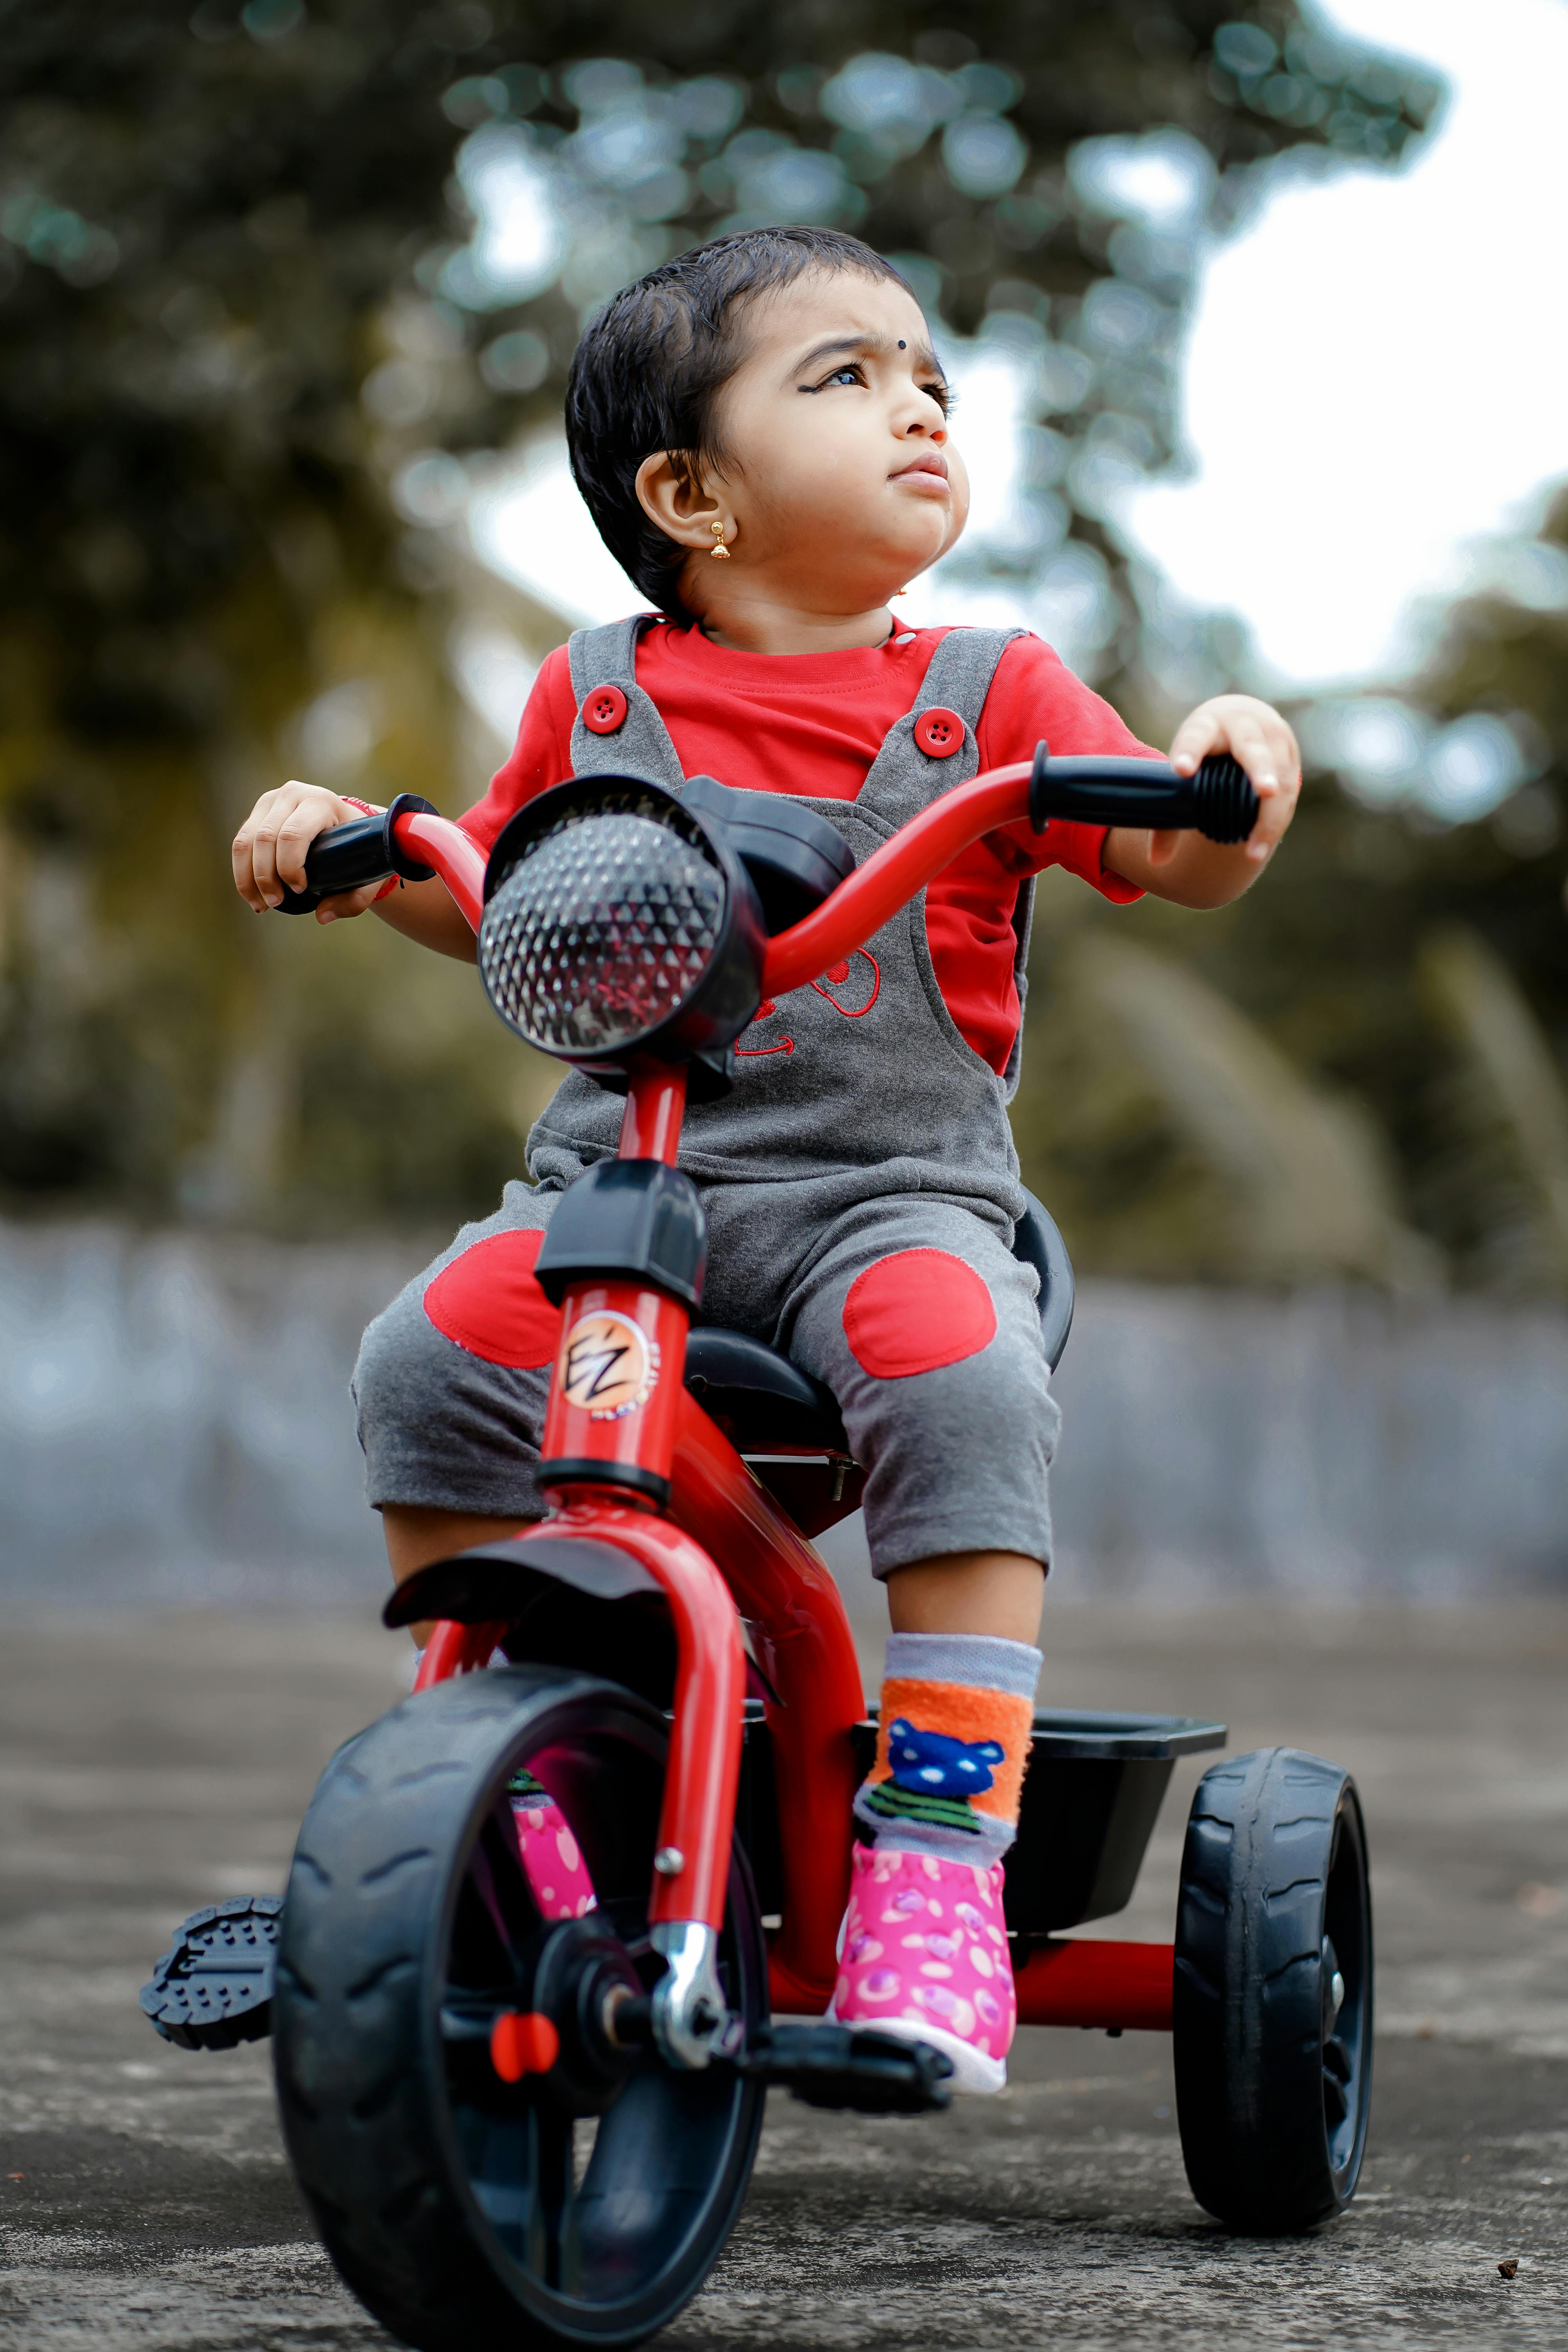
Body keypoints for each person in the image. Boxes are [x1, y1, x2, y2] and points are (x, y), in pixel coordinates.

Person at [231, 226, 1301, 2093]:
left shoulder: (1005, 696)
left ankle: (941, 1854)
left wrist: (1234, 764)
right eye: (846, 376)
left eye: (930, 383)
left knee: (957, 1370)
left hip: (887, 1200)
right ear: (688, 495)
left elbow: (1174, 854)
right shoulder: (598, 697)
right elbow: (492, 895)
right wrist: (351, 840)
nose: (917, 407)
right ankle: (507, 1778)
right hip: (620, 1192)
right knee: (423, 1358)